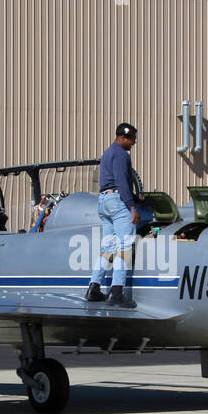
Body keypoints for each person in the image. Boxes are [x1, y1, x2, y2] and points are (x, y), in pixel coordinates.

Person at [85, 122, 142, 308]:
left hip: (103, 201)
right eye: (132, 139)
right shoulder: (121, 154)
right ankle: (117, 293)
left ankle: (94, 288)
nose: (133, 143)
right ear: (124, 137)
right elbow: (121, 182)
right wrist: (132, 206)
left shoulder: (108, 152)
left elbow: (110, 182)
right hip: (118, 201)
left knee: (108, 247)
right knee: (125, 246)